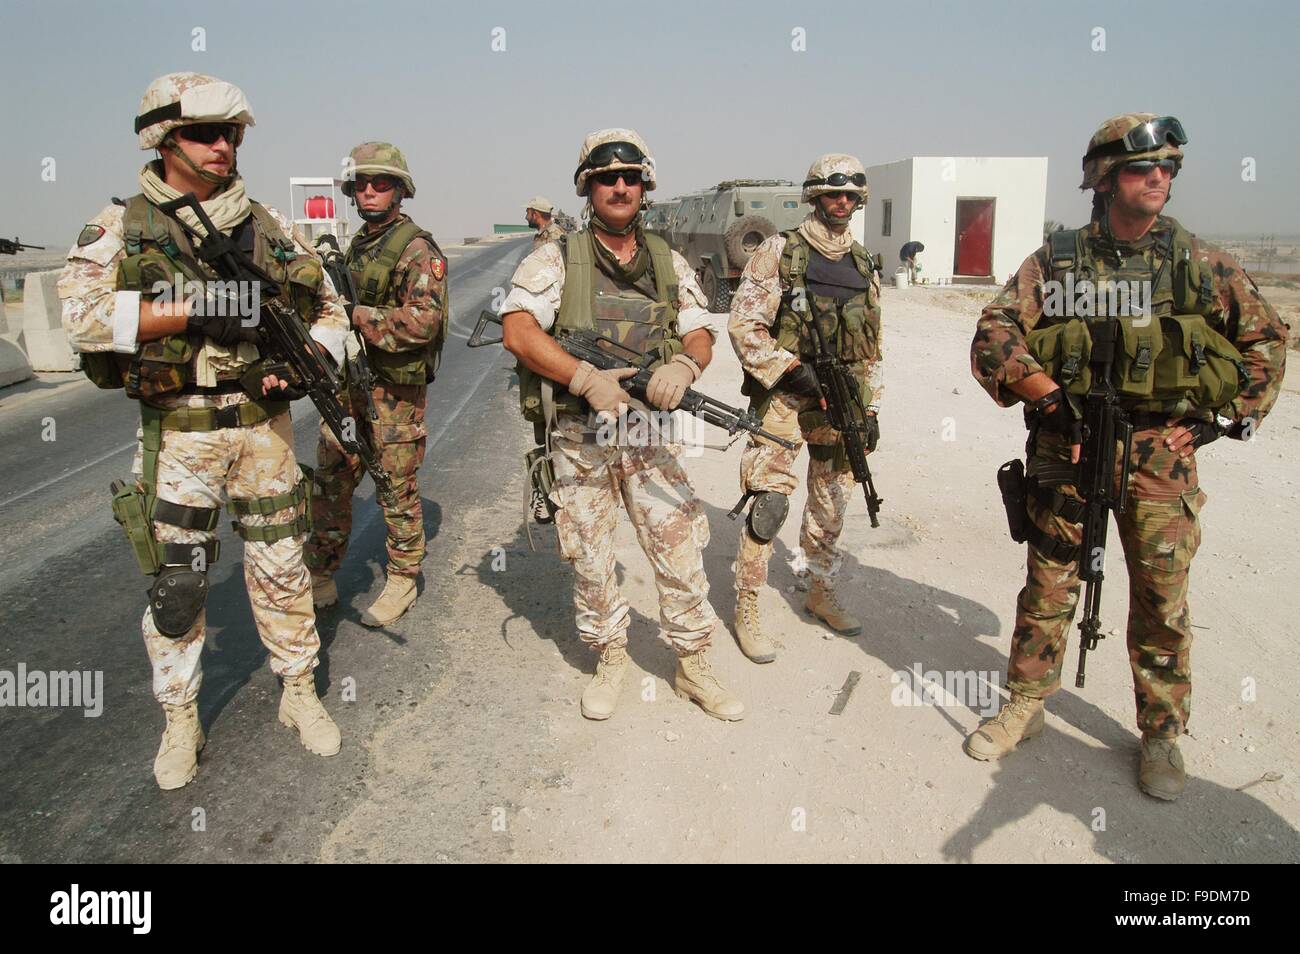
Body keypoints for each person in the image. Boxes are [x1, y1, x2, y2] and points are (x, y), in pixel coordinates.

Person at [966, 114, 1288, 799]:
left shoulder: (1199, 263)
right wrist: (1048, 396)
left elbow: (1267, 340)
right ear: (1107, 179)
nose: (1160, 180)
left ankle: (1162, 733)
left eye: (1169, 169)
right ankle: (1026, 702)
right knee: (1050, 583)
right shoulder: (1058, 260)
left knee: (1161, 600)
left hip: (1157, 458)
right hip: (1071, 440)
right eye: (1146, 169)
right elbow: (994, 332)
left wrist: (1221, 421)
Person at [59, 73, 350, 789]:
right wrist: (191, 311)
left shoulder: (266, 224)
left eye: (233, 135)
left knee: (282, 568)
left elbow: (331, 315)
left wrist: (302, 360)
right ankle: (181, 716)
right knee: (180, 581)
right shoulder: (124, 224)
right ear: (162, 139)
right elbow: (83, 319)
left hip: (263, 430)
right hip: (181, 435)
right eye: (205, 134)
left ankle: (298, 691)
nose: (223, 147)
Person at [499, 128, 745, 722]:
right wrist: (584, 377)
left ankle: (692, 662)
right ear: (587, 187)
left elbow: (698, 328)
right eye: (606, 177)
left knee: (679, 544)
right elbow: (518, 330)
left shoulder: (665, 258)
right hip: (582, 437)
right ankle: (610, 653)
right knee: (589, 554)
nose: (619, 186)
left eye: (630, 177)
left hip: (646, 434)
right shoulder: (556, 257)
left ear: (644, 187)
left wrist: (686, 365)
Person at [727, 154, 884, 662]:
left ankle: (819, 590)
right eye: (831, 194)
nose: (841, 204)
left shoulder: (862, 262)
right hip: (788, 395)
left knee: (833, 498)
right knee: (769, 499)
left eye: (850, 196)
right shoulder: (781, 251)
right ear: (815, 196)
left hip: (842, 399)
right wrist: (793, 370)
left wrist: (872, 407)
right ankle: (747, 603)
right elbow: (745, 325)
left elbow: (874, 344)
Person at [306, 142, 448, 627]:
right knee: (331, 480)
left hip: (394, 394)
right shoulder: (359, 245)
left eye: (381, 183)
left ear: (400, 190)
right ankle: (320, 573)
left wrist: (356, 316)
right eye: (361, 183)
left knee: (394, 486)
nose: (369, 191)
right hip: (348, 389)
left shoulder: (416, 249)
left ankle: (403, 578)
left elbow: (424, 322)